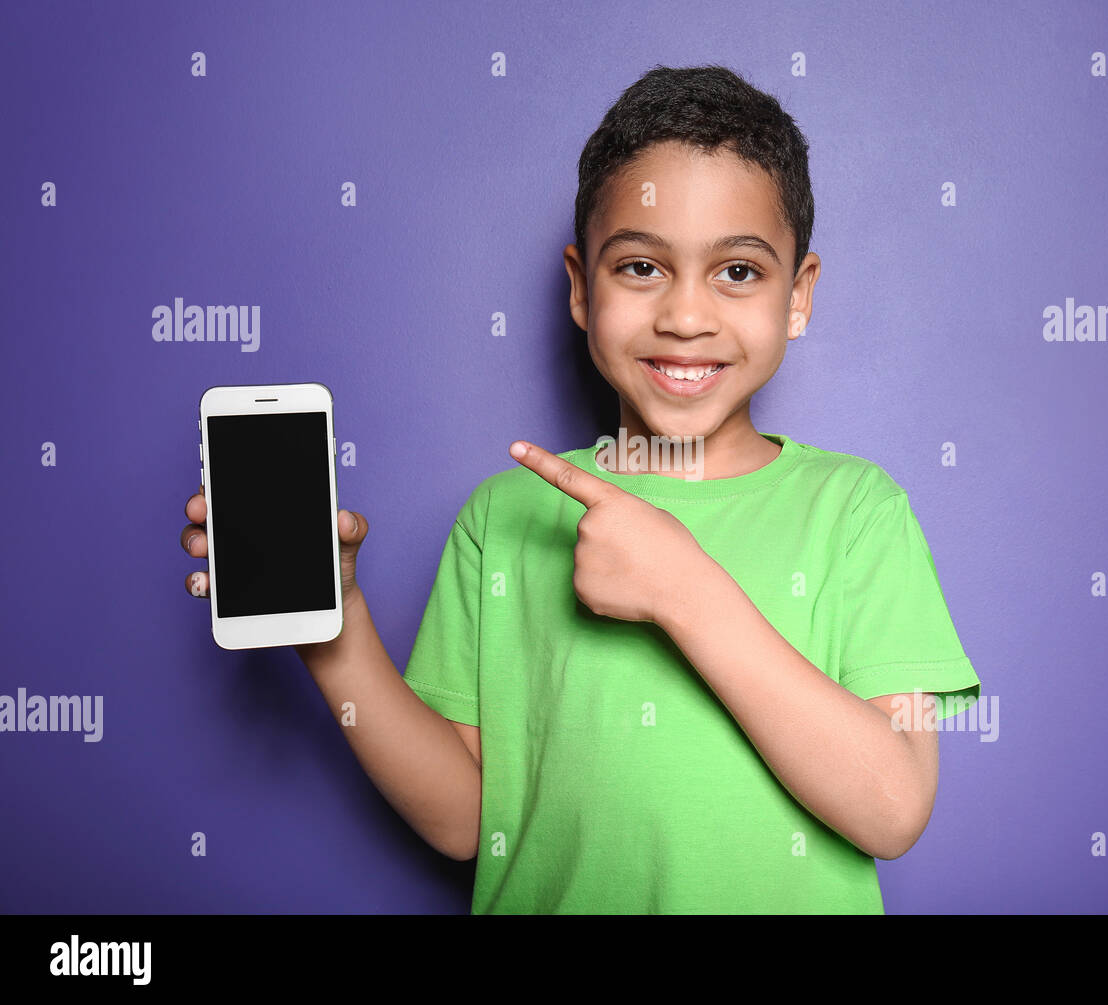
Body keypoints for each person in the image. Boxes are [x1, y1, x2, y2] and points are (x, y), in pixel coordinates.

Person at [180, 63, 980, 914]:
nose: (685, 315)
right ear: (579, 285)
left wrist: (687, 591)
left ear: (799, 294)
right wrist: (333, 628)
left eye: (738, 272)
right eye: (641, 267)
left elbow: (892, 808)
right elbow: (466, 821)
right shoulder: (507, 516)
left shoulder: (858, 511)